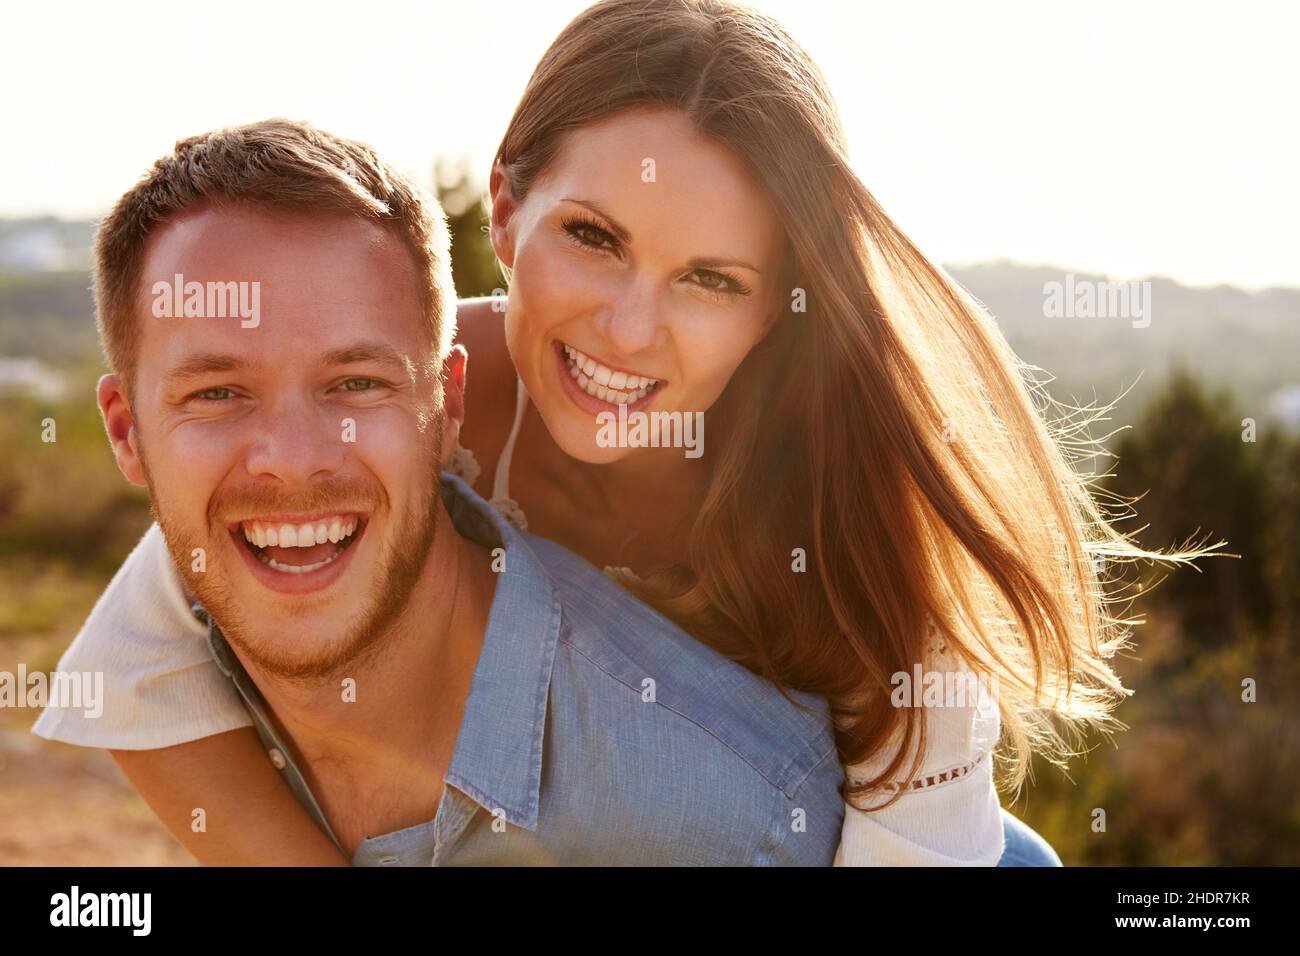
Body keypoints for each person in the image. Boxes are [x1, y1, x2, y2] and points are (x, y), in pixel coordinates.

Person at [38, 0, 1209, 866]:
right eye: (593, 238)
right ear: (507, 210)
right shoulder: (414, 397)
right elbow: (132, 669)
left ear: (775, 304)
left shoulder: (848, 503)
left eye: (710, 278)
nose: (629, 329)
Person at [33, 118, 845, 865]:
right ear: (127, 432)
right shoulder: (174, 649)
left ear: (448, 405)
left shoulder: (746, 819)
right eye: (217, 394)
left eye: (356, 383)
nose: (292, 461)